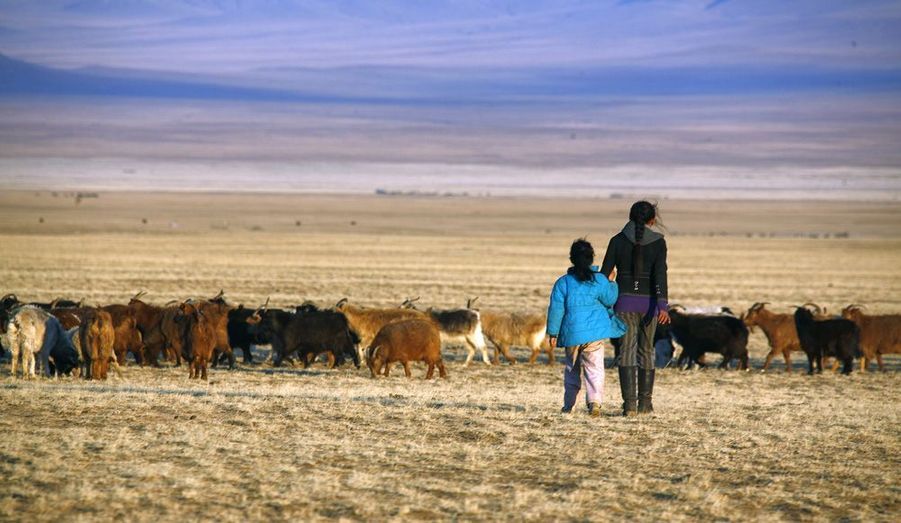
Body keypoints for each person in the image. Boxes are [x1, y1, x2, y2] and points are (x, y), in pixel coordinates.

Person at [601, 201, 670, 416]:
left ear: (631, 217)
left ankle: (629, 405)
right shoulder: (659, 242)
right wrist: (662, 306)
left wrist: (604, 299)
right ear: (652, 220)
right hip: (649, 305)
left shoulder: (617, 241)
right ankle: (645, 404)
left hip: (623, 304)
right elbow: (660, 275)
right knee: (647, 350)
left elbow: (604, 274)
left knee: (626, 351)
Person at [547, 239, 626, 417]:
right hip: (594, 334)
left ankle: (569, 406)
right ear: (591, 258)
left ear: (572, 258)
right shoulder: (599, 280)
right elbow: (610, 300)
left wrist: (553, 332)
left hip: (571, 334)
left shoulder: (563, 282)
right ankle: (595, 403)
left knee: (571, 370)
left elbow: (556, 309)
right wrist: (612, 282)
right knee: (594, 368)